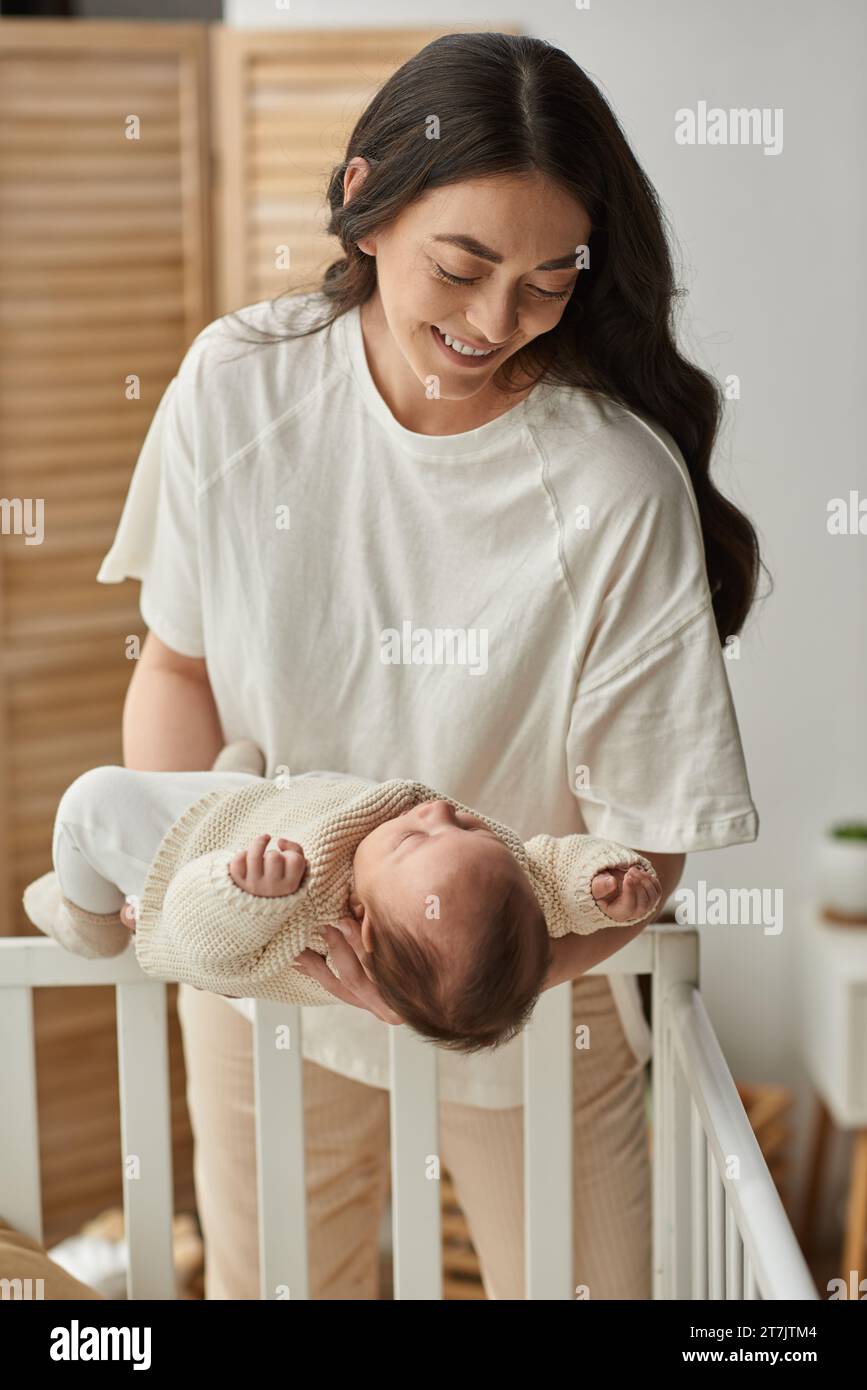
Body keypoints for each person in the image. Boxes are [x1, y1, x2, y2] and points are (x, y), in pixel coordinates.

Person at [95, 32, 763, 1299]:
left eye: (548, 280)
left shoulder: (613, 485)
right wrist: (202, 893)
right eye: (462, 267)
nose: (494, 322)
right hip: (269, 986)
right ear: (366, 204)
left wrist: (472, 993)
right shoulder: (239, 388)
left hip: (533, 993)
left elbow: (647, 839)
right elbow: (179, 669)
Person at [23, 761, 661, 1052]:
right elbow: (545, 874)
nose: (439, 811)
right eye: (468, 824)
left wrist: (241, 893)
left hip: (192, 860)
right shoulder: (480, 872)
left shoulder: (304, 913)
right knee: (238, 766)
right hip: (259, 797)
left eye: (417, 837)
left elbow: (201, 946)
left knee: (90, 802)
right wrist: (601, 884)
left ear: (366, 927)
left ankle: (89, 917)